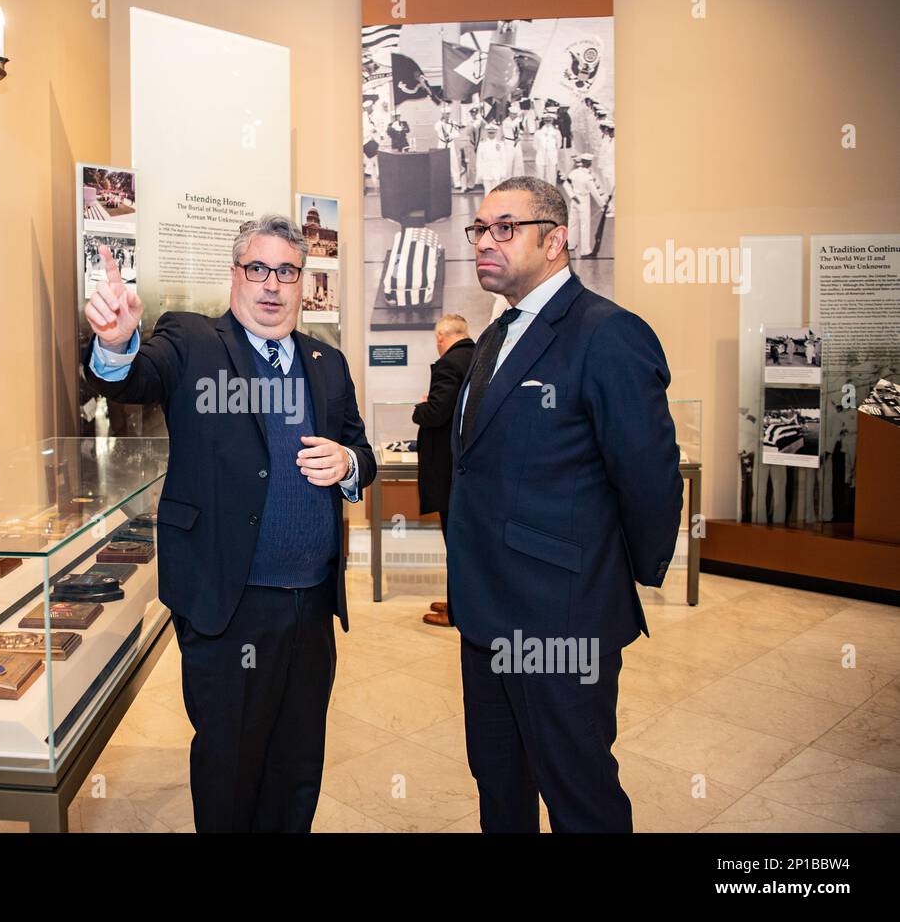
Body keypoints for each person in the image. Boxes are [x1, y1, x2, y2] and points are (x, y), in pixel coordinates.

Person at [82, 214, 376, 833]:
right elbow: (136, 379)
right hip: (229, 600)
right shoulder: (192, 341)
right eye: (258, 269)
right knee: (229, 761)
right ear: (235, 275)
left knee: (297, 761)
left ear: (303, 282)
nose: (272, 285)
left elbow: (362, 453)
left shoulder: (328, 362)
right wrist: (114, 344)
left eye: (287, 272)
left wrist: (348, 462)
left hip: (310, 603)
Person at [449, 177, 682, 832]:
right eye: (478, 229)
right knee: (498, 782)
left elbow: (649, 477)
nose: (484, 243)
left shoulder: (607, 335)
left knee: (578, 792)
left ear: (557, 239)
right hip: (483, 612)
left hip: (560, 617)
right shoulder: (496, 336)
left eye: (505, 228)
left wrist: (608, 575)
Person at [412, 315, 475, 628]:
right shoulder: (477, 355)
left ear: (440, 337)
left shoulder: (450, 364)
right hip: (468, 468)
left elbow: (436, 412)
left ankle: (457, 611)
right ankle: (459, 601)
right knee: (464, 543)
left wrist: (419, 407)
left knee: (457, 544)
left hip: (449, 469)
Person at [562, 153, 607, 257]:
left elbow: (566, 184)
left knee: (573, 223)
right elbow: (595, 193)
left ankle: (571, 244)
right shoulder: (588, 178)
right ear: (590, 163)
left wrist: (572, 195)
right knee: (584, 224)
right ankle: (585, 250)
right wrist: (603, 205)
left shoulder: (574, 173)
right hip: (583, 200)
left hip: (574, 200)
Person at [434, 108, 464, 191]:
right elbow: (437, 129)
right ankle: (442, 183)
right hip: (441, 143)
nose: (447, 115)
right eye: (445, 114)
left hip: (450, 143)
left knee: (454, 163)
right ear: (442, 114)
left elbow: (458, 133)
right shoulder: (438, 123)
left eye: (448, 113)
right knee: (441, 164)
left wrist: (450, 135)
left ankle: (457, 183)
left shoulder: (453, 123)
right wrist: (442, 123)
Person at [475, 122, 508, 196]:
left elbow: (503, 159)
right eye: (490, 133)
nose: (491, 134)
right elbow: (479, 159)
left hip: (497, 171)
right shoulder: (482, 144)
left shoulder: (500, 144)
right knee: (487, 192)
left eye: (493, 133)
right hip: (486, 171)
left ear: (496, 132)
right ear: (487, 132)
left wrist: (503, 172)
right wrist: (480, 173)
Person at [534, 114, 561, 186]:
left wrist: (551, 150)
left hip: (552, 157)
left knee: (551, 176)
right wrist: (542, 150)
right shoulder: (538, 132)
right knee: (540, 175)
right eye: (546, 120)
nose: (548, 121)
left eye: (550, 120)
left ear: (552, 121)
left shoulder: (556, 132)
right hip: (540, 156)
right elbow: (535, 145)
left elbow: (559, 145)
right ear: (543, 121)